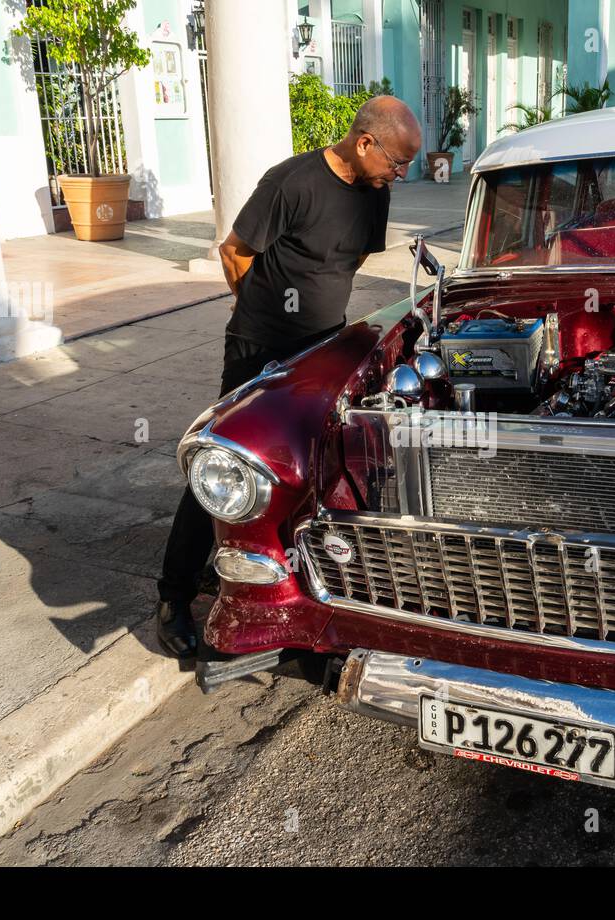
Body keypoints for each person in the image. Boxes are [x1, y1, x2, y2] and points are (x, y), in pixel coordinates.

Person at [155, 96, 423, 657]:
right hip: (262, 349)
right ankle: (174, 594)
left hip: (323, 349)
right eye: (396, 162)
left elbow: (347, 261)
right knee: (229, 464)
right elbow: (235, 252)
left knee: (310, 465)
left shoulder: (375, 193)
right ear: (364, 142)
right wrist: (260, 313)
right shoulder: (292, 182)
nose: (399, 175)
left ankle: (273, 570)